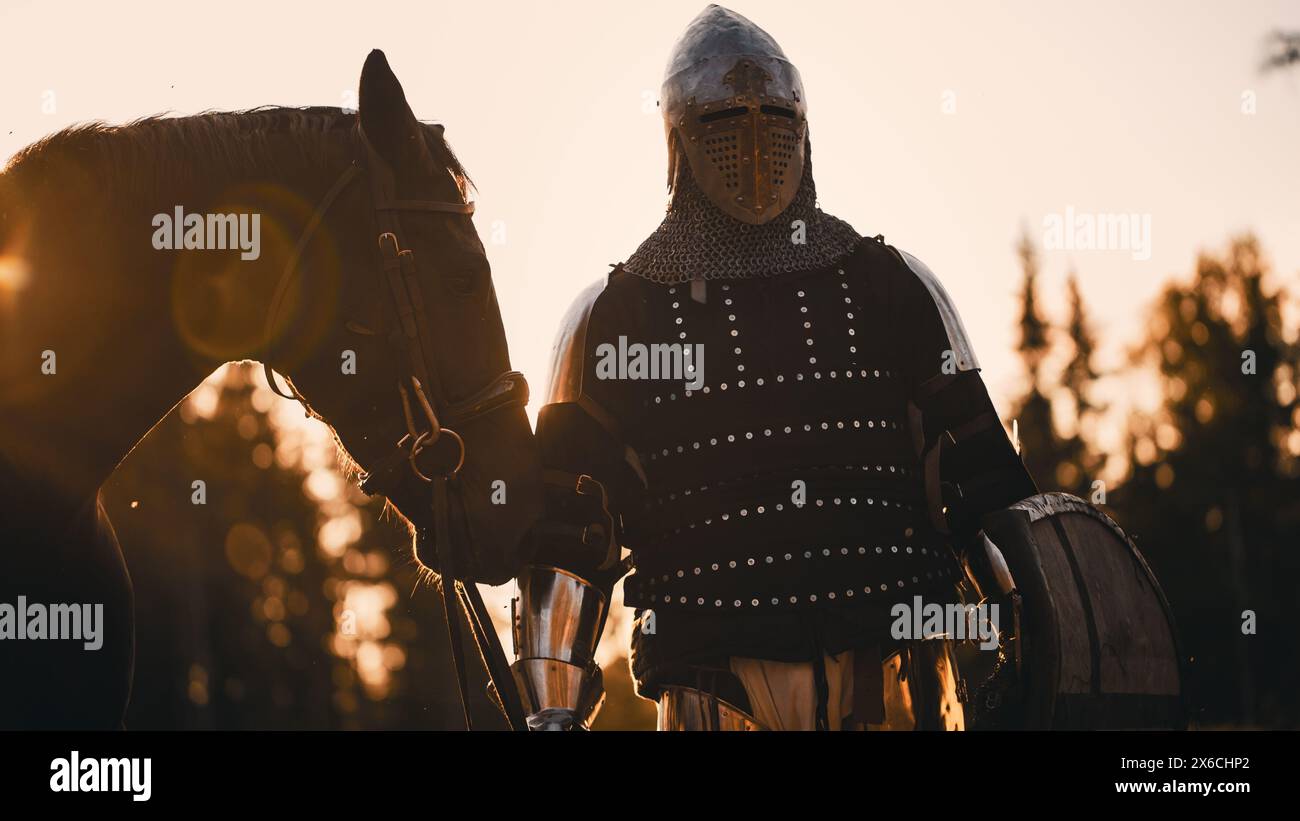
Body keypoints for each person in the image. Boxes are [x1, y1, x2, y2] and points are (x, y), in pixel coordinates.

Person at [509, 4, 1037, 731]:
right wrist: (552, 708)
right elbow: (570, 532)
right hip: (711, 686)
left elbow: (985, 485)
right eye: (725, 123)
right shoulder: (616, 316)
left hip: (895, 677)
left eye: (773, 119)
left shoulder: (893, 285)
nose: (754, 146)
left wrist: (1032, 639)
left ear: (805, 130)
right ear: (678, 142)